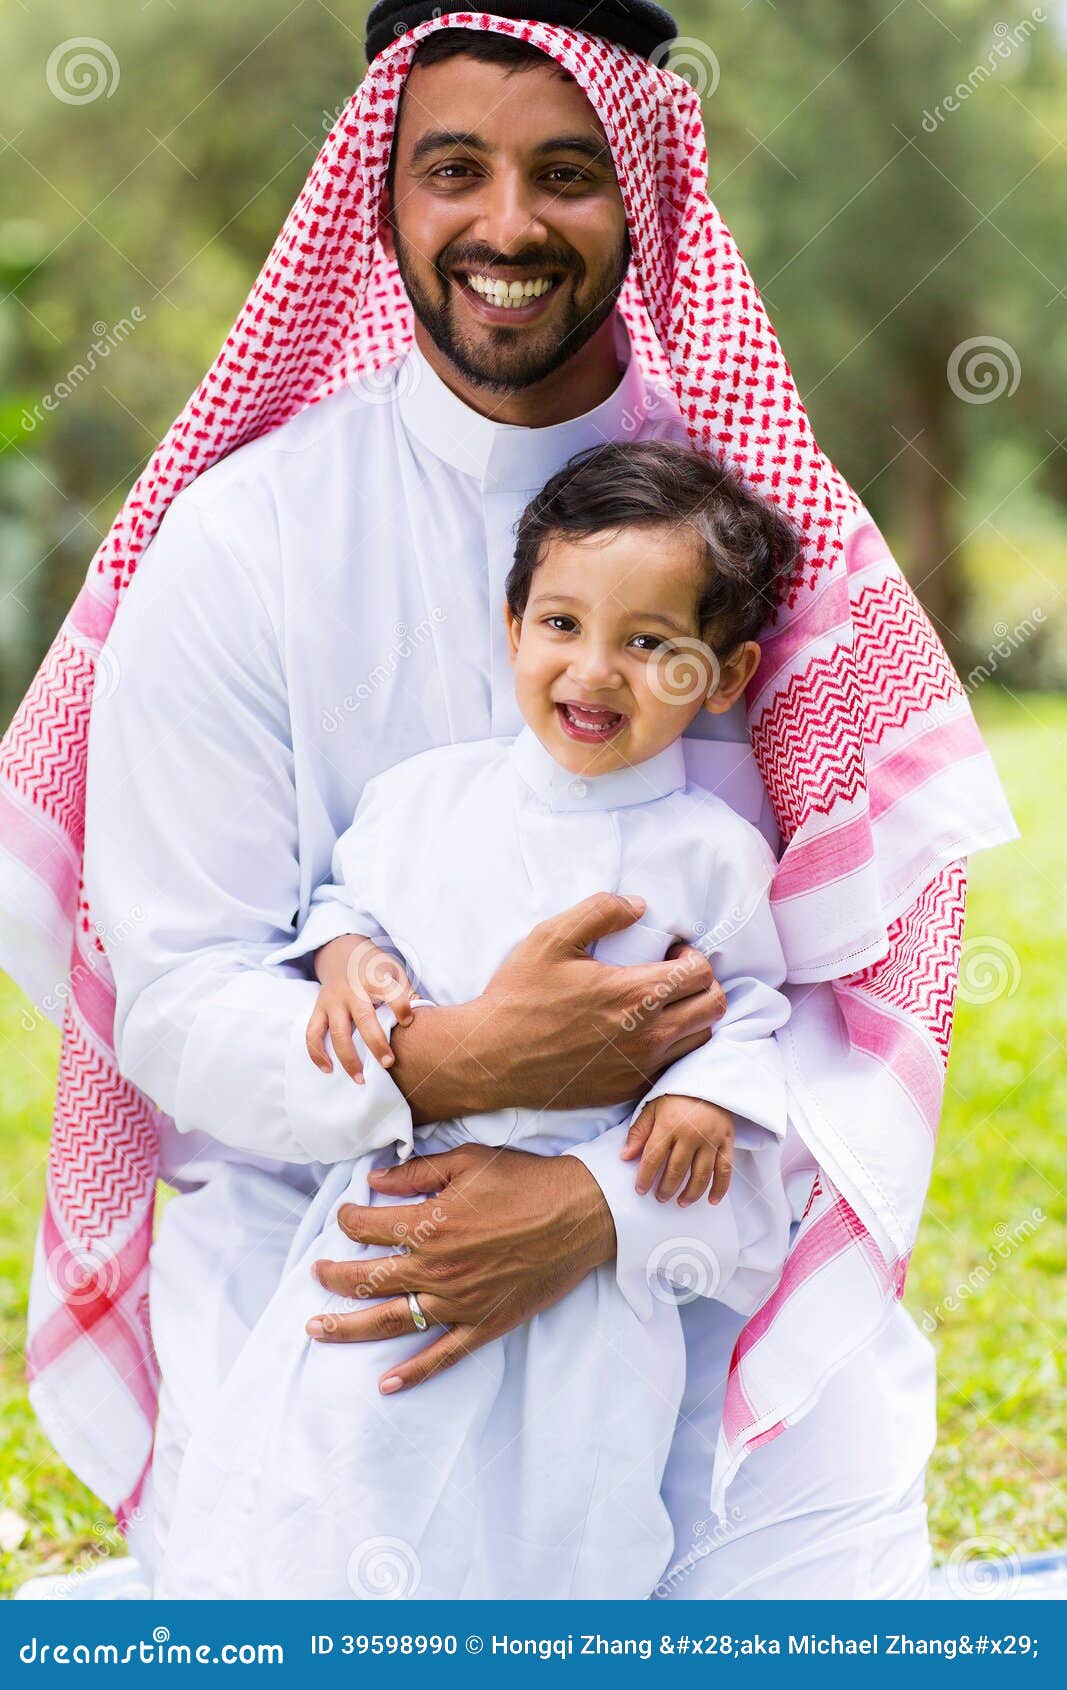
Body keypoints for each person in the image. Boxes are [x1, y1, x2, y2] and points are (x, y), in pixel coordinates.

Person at [0, 5, 1016, 1600]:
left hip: (705, 1280)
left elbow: (847, 1026)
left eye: (566, 172)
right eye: (449, 170)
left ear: (646, 194)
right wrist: (440, 1060)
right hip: (330, 1269)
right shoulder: (244, 537)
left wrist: (600, 1206)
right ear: (379, 195)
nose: (505, 225)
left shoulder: (764, 555)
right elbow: (179, 994)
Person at [153, 439, 798, 1600]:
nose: (592, 672)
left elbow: (749, 1009)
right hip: (395, 1204)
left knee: (560, 1510)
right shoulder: (425, 799)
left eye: (649, 644)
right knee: (339, 1463)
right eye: (561, 625)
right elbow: (348, 907)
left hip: (586, 1271)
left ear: (724, 673)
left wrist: (707, 1093)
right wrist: (349, 962)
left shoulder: (713, 857)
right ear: (510, 628)